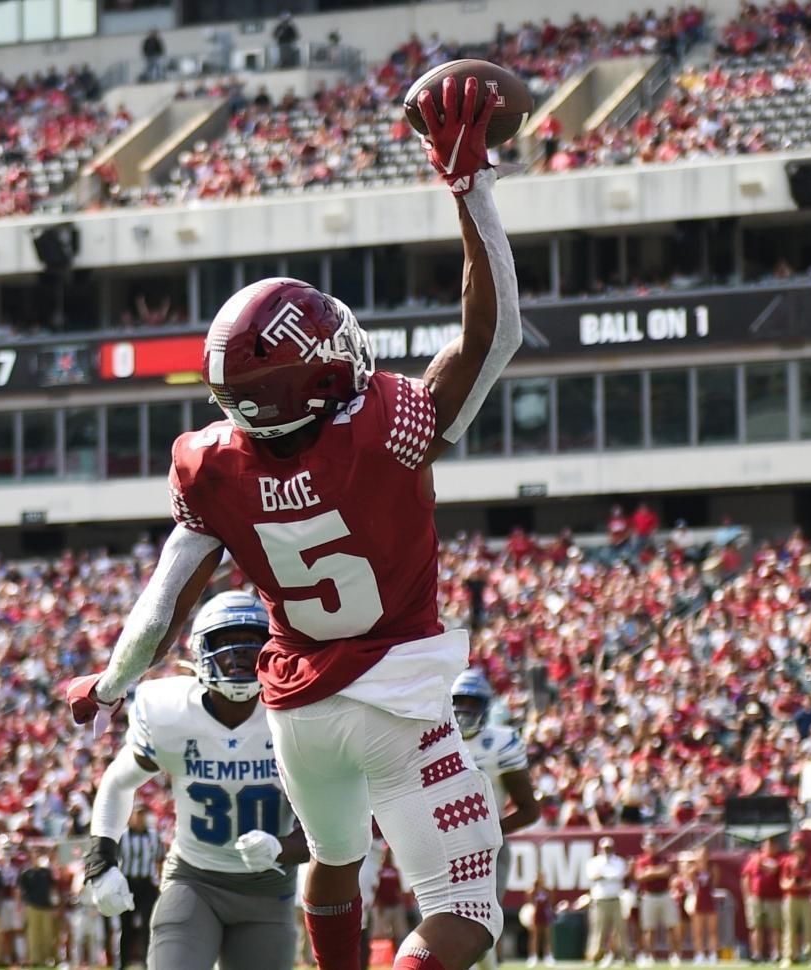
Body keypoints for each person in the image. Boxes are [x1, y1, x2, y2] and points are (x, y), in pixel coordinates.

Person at [66, 73, 520, 970]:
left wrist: (109, 688)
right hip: (391, 689)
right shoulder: (385, 425)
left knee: (334, 863)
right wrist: (473, 191)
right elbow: (492, 334)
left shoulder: (212, 463)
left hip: (298, 709)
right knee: (466, 906)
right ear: (315, 377)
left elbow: (161, 607)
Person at [83, 591, 309, 970]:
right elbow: (119, 782)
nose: (239, 660)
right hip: (194, 880)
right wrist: (101, 861)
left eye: (251, 647)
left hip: (270, 889)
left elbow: (331, 833)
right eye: (227, 647)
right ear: (201, 652)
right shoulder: (169, 711)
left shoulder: (297, 716)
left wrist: (280, 848)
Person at [451, 668, 541, 970]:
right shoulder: (434, 740)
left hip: (488, 848)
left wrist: (487, 832)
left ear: (486, 707)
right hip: (444, 845)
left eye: (472, 703)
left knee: (481, 924)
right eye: (459, 701)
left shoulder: (500, 742)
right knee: (442, 922)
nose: (464, 709)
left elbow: (530, 809)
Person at [114, 807, 162, 965]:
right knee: (126, 925)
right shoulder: (123, 836)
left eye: (143, 816)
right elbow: (115, 860)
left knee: (148, 925)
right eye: (137, 816)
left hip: (147, 883)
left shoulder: (154, 836)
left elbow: (159, 859)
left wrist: (160, 881)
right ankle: (123, 962)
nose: (140, 820)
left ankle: (147, 962)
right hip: (128, 883)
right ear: (131, 818)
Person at [632, 833, 676, 967]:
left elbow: (667, 871)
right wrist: (656, 872)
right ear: (644, 846)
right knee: (649, 928)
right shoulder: (641, 860)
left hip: (665, 894)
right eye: (650, 844)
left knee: (671, 926)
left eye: (655, 844)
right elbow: (639, 876)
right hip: (649, 895)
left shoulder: (664, 858)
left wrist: (650, 872)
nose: (653, 847)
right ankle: (650, 955)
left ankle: (673, 955)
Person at [584, 836, 628, 967]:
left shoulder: (619, 861)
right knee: (598, 930)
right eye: (605, 848)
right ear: (600, 848)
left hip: (616, 899)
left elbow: (619, 874)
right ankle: (594, 957)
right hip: (600, 900)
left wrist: (604, 875)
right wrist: (608, 876)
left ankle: (625, 956)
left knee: (620, 930)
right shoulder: (594, 862)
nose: (607, 850)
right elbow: (593, 876)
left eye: (609, 847)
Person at [741, 838, 785, 963]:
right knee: (756, 927)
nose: (770, 847)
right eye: (767, 845)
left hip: (774, 898)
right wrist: (747, 897)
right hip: (756, 898)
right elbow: (746, 877)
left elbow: (774, 869)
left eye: (772, 844)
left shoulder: (781, 858)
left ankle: (776, 953)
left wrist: (761, 862)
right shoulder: (754, 859)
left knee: (775, 927)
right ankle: (757, 954)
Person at [781, 835, 811, 964]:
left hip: (807, 898)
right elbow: (783, 883)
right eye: (794, 847)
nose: (796, 851)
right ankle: (789, 956)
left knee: (809, 927)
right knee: (790, 928)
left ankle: (808, 956)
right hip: (791, 897)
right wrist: (792, 883)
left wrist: (806, 884)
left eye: (798, 847)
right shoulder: (788, 862)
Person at [19, 853, 57, 966]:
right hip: (32, 906)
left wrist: (55, 905)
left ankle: (47, 958)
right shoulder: (26, 873)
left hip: (46, 907)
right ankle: (35, 959)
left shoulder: (46, 872)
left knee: (47, 933)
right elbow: (21, 890)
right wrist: (21, 906)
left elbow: (52, 889)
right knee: (33, 934)